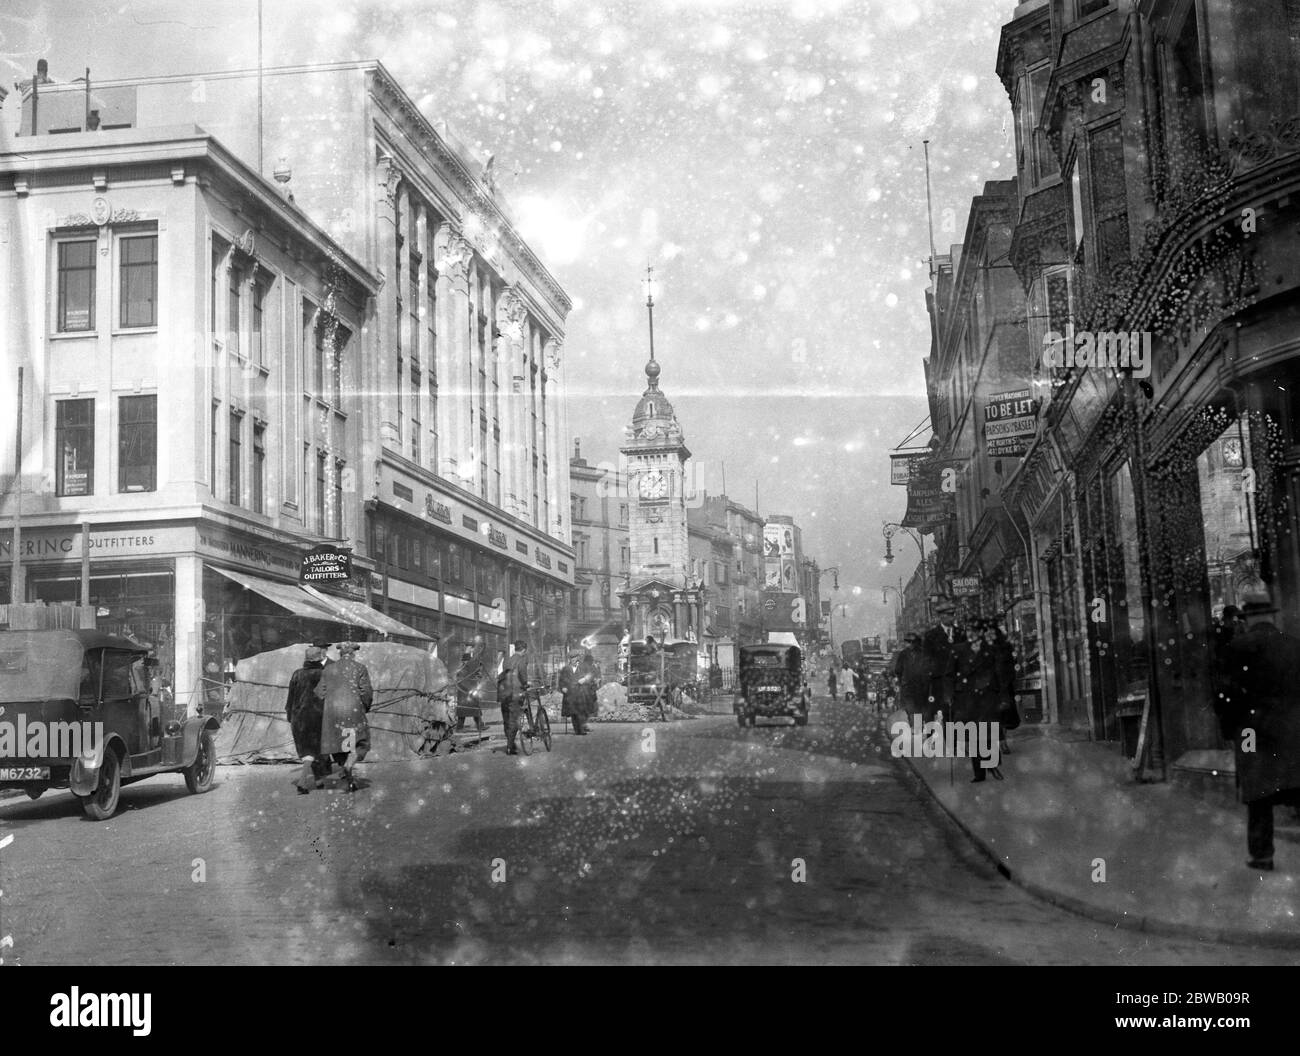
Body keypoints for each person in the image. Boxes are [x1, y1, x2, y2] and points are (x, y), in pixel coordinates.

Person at [1220, 598, 1300, 870]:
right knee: (1296, 785)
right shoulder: (1293, 645)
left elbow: (1227, 694)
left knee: (1259, 793)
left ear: (1247, 619)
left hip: (1252, 730)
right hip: (1291, 727)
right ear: (1272, 617)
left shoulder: (1237, 648)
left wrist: (1229, 728)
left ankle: (1263, 855)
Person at [315, 641, 373, 793]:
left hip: (333, 713)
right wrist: (365, 706)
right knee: (360, 742)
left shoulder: (328, 669)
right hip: (353, 711)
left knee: (339, 743)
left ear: (340, 654)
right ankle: (349, 767)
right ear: (353, 654)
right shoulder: (359, 668)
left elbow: (319, 692)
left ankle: (349, 778)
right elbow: (366, 692)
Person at [953, 619, 1003, 782]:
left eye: (974, 630)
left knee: (989, 733)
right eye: (968, 630)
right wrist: (951, 693)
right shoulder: (958, 650)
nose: (971, 633)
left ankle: (992, 765)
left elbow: (999, 673)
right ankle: (979, 773)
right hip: (968, 697)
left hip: (987, 696)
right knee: (973, 734)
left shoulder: (991, 650)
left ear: (981, 633)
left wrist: (1000, 695)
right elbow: (950, 674)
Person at [286, 643, 328, 794]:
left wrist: (290, 716)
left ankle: (319, 780)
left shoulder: (297, 674)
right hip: (318, 717)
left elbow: (290, 698)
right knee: (313, 751)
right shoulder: (324, 674)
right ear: (319, 658)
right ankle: (303, 782)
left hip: (298, 718)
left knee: (309, 749)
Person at [923, 603, 964, 723]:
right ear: (941, 616)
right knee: (946, 714)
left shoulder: (960, 633)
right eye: (948, 615)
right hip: (940, 682)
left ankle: (958, 739)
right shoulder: (931, 636)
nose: (951, 618)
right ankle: (950, 739)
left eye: (952, 615)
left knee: (960, 714)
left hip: (958, 680)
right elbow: (927, 659)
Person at [498, 639, 531, 755]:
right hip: (515, 694)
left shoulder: (507, 661)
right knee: (514, 720)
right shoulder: (521, 660)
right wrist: (526, 683)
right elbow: (523, 676)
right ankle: (510, 746)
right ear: (524, 650)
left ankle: (510, 744)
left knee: (506, 720)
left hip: (504, 695)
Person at [454, 634, 487, 735]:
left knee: (465, 707)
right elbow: (475, 668)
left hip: (463, 687)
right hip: (468, 687)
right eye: (471, 647)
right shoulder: (469, 660)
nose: (471, 649)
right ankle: (477, 725)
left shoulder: (464, 661)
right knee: (473, 706)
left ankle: (475, 725)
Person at [893, 633, 929, 722]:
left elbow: (927, 668)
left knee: (919, 709)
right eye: (907, 642)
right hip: (908, 686)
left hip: (920, 686)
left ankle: (917, 728)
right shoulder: (903, 654)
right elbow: (898, 670)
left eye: (910, 642)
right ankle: (914, 725)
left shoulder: (923, 653)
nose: (908, 644)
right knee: (910, 708)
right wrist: (902, 681)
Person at [560, 650, 592, 734]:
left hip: (581, 692)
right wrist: (563, 687)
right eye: (571, 658)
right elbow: (561, 680)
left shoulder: (583, 666)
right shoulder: (565, 668)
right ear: (569, 659)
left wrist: (584, 679)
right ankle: (577, 730)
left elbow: (590, 675)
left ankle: (581, 729)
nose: (573, 660)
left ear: (577, 657)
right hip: (570, 693)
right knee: (574, 712)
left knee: (580, 711)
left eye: (574, 658)